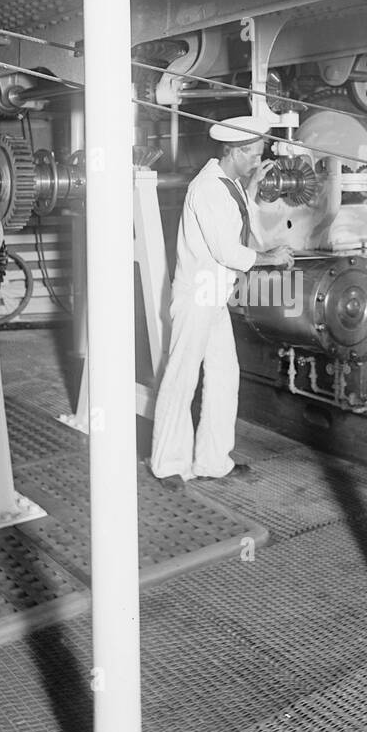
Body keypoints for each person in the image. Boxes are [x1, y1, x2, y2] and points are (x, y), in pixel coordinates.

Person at [149, 113, 294, 490]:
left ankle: (212, 462)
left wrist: (253, 189)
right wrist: (269, 258)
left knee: (224, 375)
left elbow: (236, 219)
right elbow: (226, 249)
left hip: (213, 295)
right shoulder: (208, 188)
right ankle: (167, 464)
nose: (257, 161)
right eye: (253, 155)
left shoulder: (227, 184)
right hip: (197, 295)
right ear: (235, 151)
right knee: (182, 377)